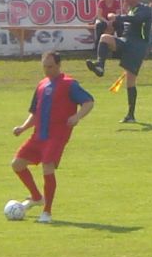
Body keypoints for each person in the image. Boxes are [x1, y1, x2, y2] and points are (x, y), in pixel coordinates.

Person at [10, 51, 95, 224]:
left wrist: (77, 117)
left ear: (58, 65)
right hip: (38, 136)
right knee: (17, 164)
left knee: (47, 167)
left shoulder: (69, 84)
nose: (47, 70)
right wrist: (23, 127)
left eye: (50, 67)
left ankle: (47, 212)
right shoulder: (41, 85)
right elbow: (35, 112)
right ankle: (36, 197)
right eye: (44, 67)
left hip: (56, 136)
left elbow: (89, 101)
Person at [86, 0, 152, 123]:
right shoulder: (131, 10)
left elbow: (136, 20)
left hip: (137, 47)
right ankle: (100, 66)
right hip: (126, 42)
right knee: (104, 38)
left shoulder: (145, 9)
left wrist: (118, 17)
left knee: (130, 81)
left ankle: (130, 115)